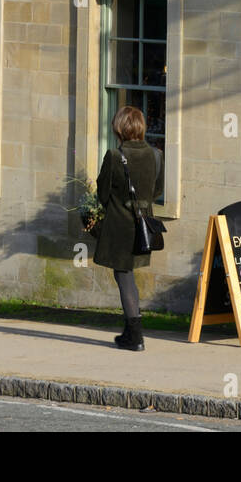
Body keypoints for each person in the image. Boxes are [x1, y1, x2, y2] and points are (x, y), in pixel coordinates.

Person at [93, 106, 164, 351]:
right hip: (144, 225)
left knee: (123, 276)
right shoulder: (156, 155)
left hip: (121, 227)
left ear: (120, 128)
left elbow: (102, 193)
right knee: (127, 276)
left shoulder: (115, 155)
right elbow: (157, 191)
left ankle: (135, 337)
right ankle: (130, 331)